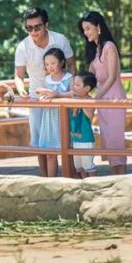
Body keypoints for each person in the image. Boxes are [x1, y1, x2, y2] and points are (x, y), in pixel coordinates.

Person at [13, 7, 76, 176]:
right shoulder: (22, 47)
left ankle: (70, 174)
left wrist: (72, 89)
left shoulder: (60, 39)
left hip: (62, 94)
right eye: (29, 28)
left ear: (46, 25)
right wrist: (21, 91)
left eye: (37, 27)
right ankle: (44, 177)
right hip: (36, 97)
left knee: (66, 136)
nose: (33, 31)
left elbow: (71, 65)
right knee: (40, 141)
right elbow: (18, 75)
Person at [78, 11, 127, 174]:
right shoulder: (95, 50)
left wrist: (95, 99)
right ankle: (117, 177)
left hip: (114, 99)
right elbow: (90, 78)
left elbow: (112, 77)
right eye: (84, 30)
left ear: (99, 27)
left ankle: (123, 178)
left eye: (88, 29)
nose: (86, 33)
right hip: (102, 100)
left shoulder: (109, 47)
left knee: (115, 140)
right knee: (108, 140)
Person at [35, 48, 73, 177]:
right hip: (49, 118)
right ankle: (52, 181)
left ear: (62, 62)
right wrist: (43, 96)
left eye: (53, 63)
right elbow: (45, 95)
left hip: (65, 118)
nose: (49, 67)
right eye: (47, 64)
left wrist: (58, 95)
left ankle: (70, 178)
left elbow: (74, 94)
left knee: (68, 152)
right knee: (50, 153)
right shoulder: (46, 80)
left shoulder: (70, 78)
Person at [70, 71, 98, 178]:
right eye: (74, 84)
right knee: (79, 166)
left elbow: (90, 116)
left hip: (86, 139)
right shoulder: (73, 98)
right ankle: (84, 184)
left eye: (77, 85)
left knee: (88, 165)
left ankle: (94, 185)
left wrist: (80, 102)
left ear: (87, 88)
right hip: (75, 137)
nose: (74, 87)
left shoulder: (90, 100)